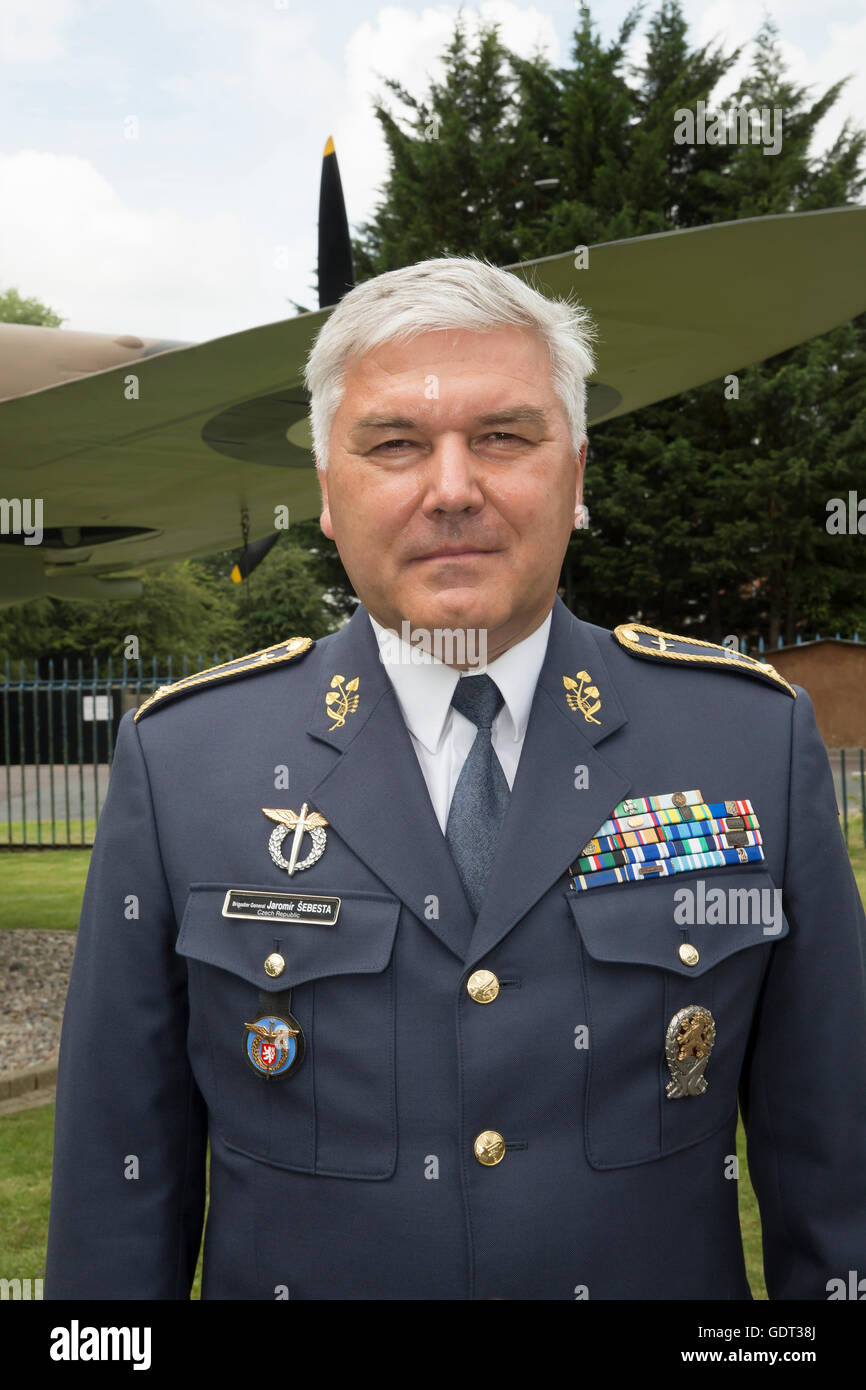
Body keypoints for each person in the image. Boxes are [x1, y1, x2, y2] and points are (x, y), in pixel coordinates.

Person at [45, 257, 866, 1300]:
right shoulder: (185, 761)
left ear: (574, 475)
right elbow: (118, 1206)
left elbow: (835, 1180)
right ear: (327, 495)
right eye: (393, 444)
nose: (450, 489)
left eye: (502, 438)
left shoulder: (744, 740)